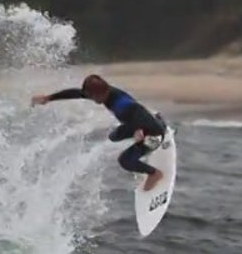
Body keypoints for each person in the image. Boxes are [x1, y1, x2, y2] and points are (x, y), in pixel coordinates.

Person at [32, 74, 168, 191]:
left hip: (153, 134)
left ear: (101, 93)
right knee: (114, 137)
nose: (91, 100)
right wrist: (48, 98)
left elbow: (137, 112)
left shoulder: (122, 104)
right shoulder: (106, 91)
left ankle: (155, 174)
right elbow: (76, 93)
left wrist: (141, 131)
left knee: (125, 161)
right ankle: (158, 121)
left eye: (92, 97)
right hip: (137, 123)